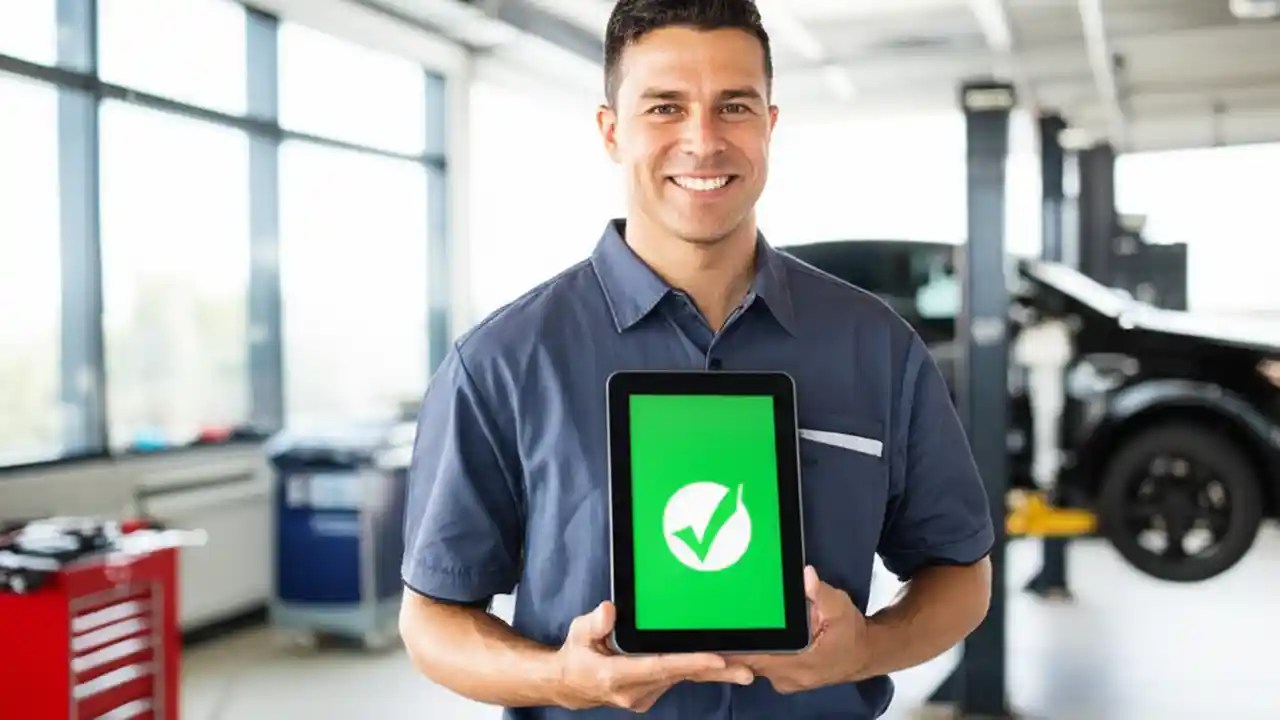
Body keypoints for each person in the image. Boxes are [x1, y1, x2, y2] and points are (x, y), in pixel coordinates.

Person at [398, 0, 995, 717]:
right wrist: (563, 677)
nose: (703, 140)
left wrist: (865, 646)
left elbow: (960, 572)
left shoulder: (877, 348)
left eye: (734, 106)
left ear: (770, 125)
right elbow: (431, 618)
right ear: (611, 131)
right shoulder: (502, 363)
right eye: (665, 108)